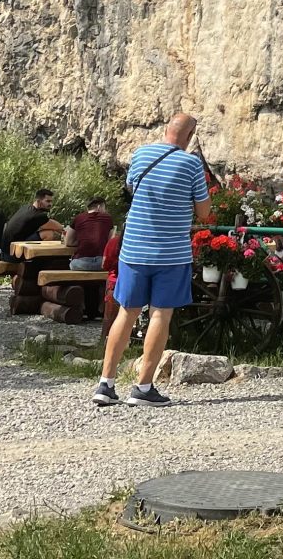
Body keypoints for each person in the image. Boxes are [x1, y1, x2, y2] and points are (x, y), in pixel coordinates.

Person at [93, 114, 211, 409]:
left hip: (133, 250)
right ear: (190, 135)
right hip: (171, 254)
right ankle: (143, 388)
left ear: (166, 129)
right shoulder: (192, 164)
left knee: (126, 313)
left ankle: (105, 384)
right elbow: (204, 212)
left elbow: (133, 189)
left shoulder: (141, 154)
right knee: (160, 315)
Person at [69, 196, 113, 272]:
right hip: (101, 264)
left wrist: (81, 241)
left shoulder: (78, 218)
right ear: (99, 207)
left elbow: (68, 241)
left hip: (81, 263)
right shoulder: (108, 218)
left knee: (71, 264)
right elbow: (110, 242)